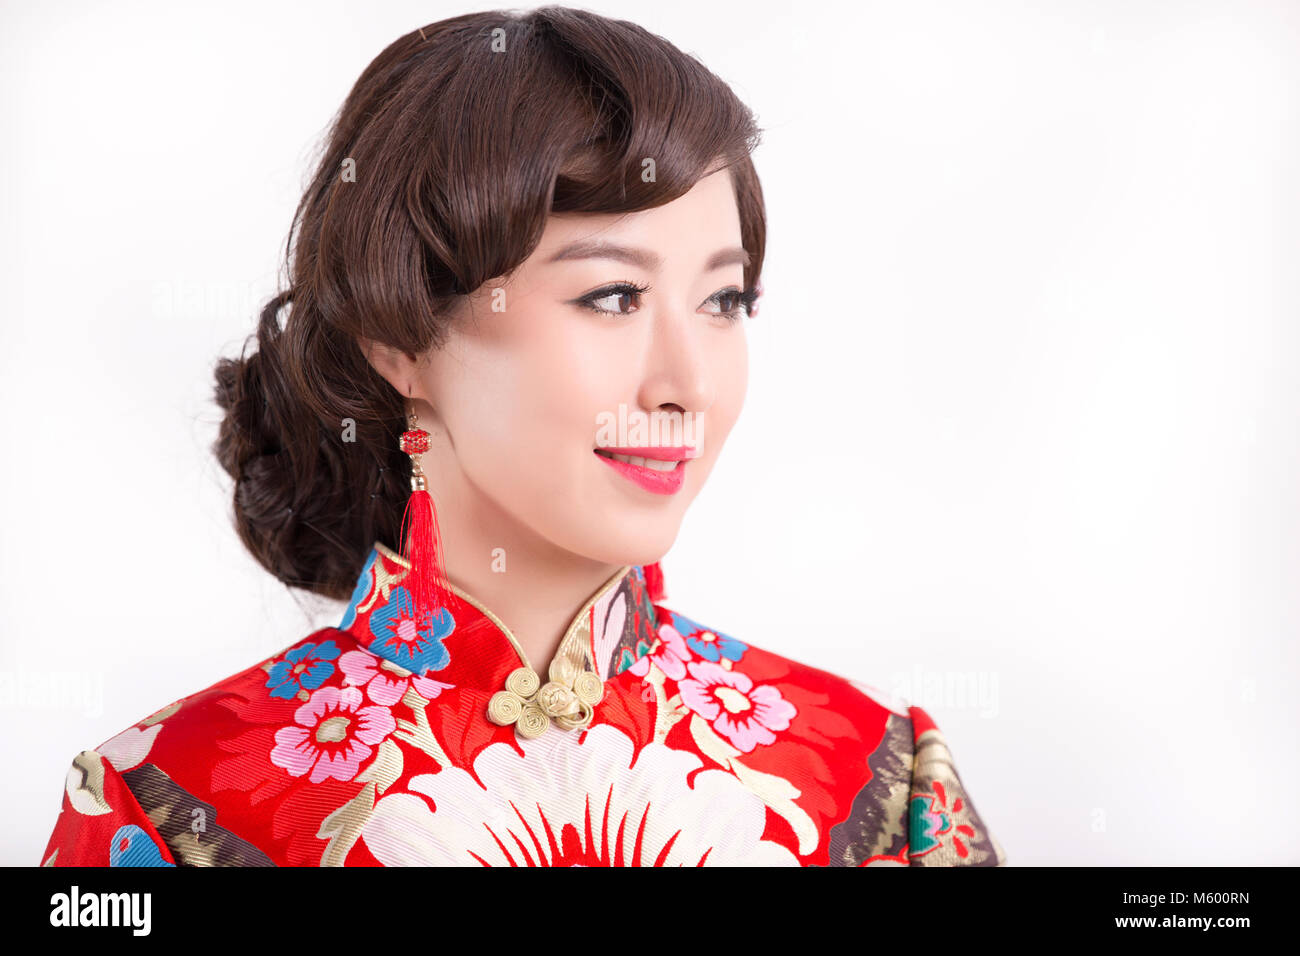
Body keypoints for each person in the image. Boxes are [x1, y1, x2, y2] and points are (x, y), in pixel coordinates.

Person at [41, 5, 1006, 867]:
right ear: (399, 336)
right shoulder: (168, 807)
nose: (688, 384)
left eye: (723, 299)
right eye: (612, 296)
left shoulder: (875, 785)